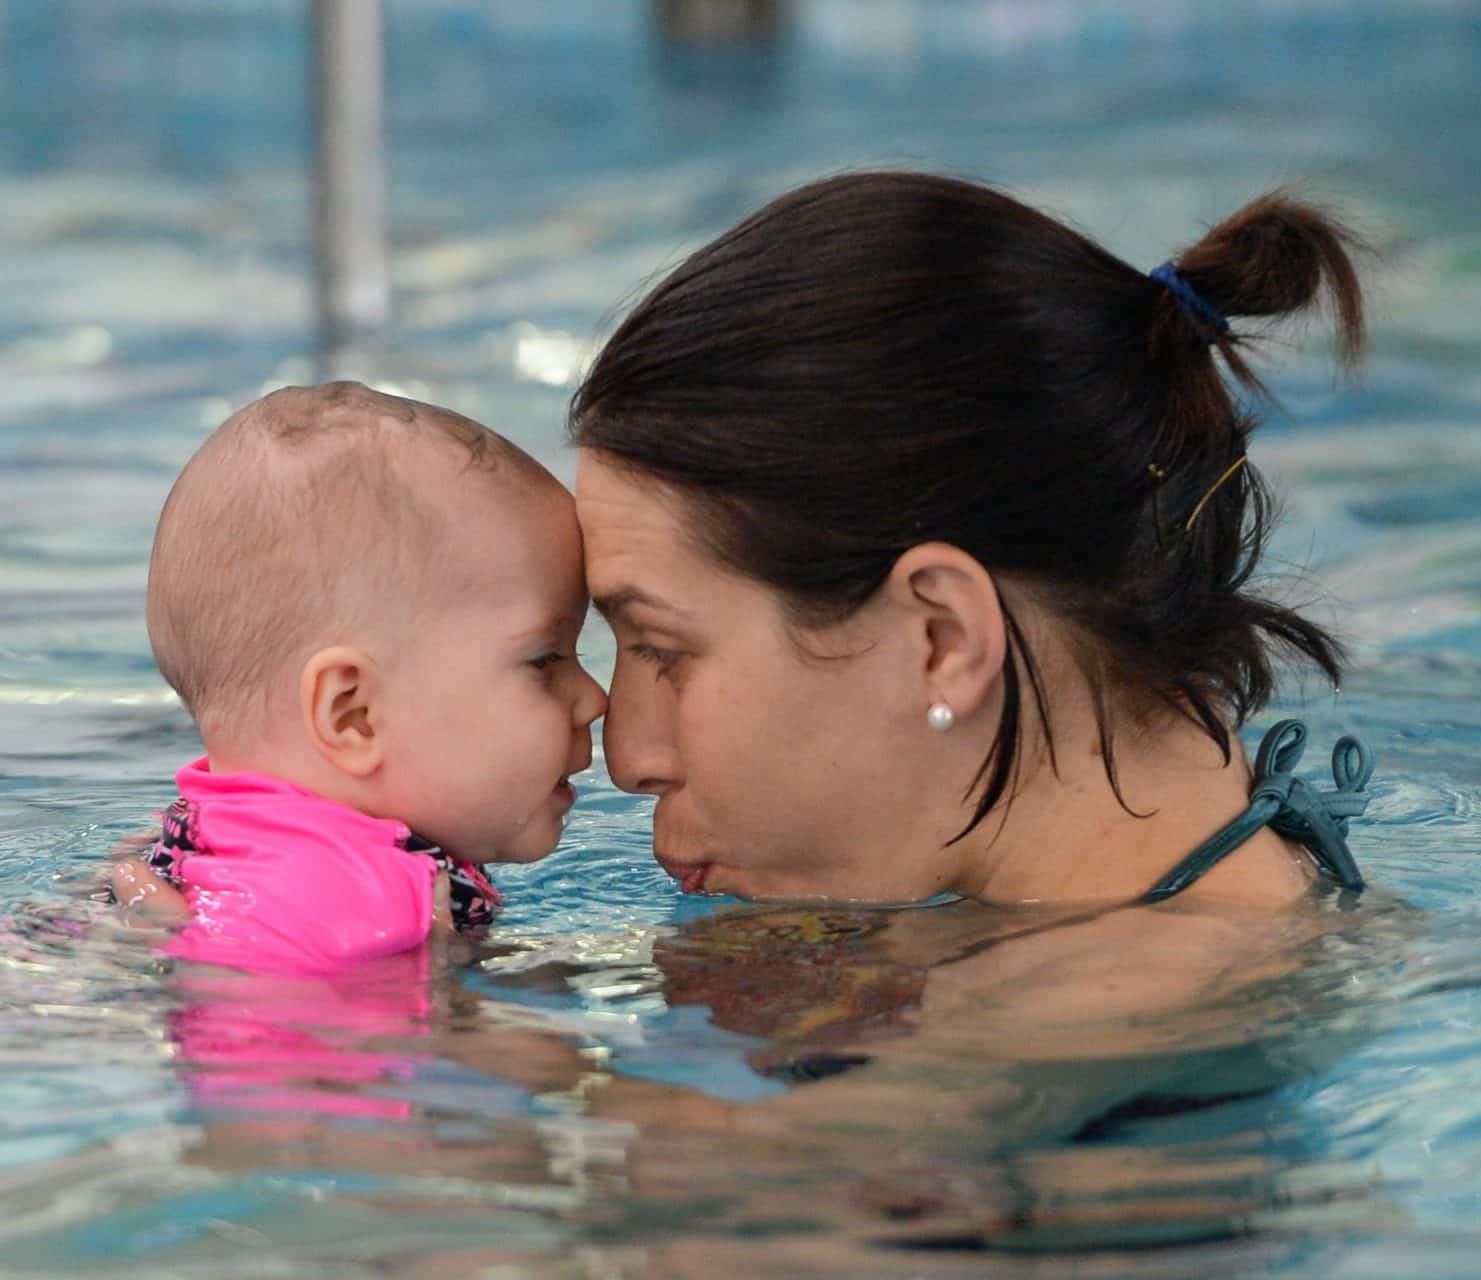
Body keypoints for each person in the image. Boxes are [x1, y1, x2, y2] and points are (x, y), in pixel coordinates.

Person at [572, 170, 1374, 913]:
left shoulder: (1051, 1045)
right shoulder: (1231, 900)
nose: (629, 757)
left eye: (664, 652)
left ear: (942, 639)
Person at [121, 381, 605, 973]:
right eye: (544, 661)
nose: (594, 698)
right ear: (352, 713)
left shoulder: (206, 840)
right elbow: (273, 1037)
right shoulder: (351, 892)